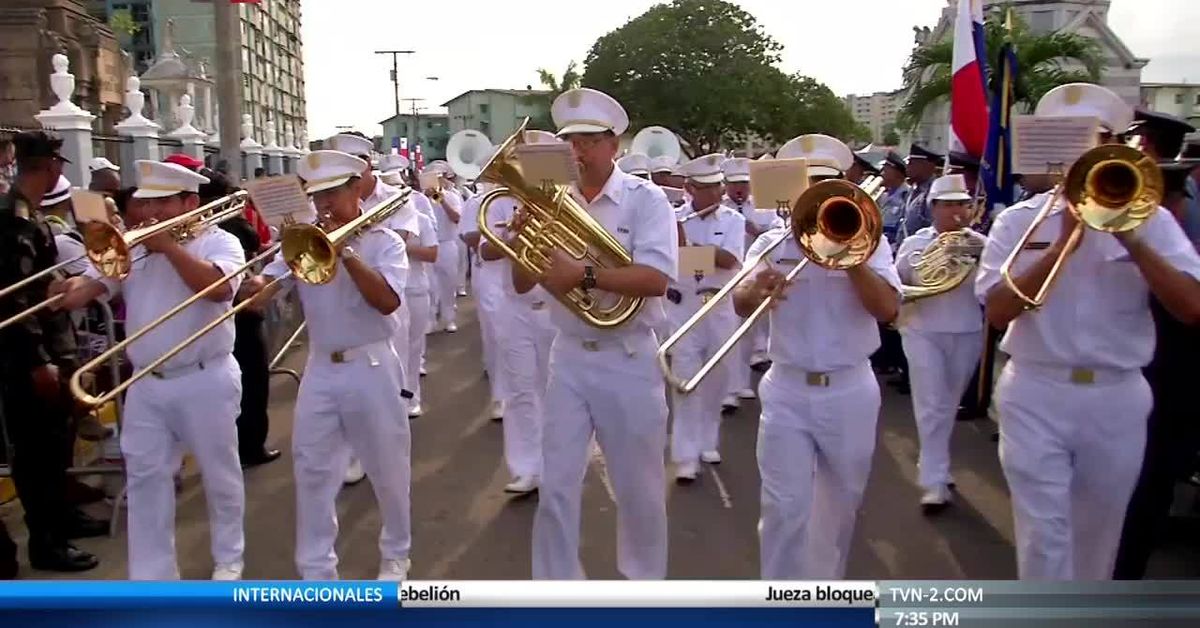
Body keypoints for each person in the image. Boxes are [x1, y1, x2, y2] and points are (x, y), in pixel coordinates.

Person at [976, 83, 1200, 580]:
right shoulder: (1018, 222)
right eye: (1071, 138)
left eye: (1097, 138)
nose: (1084, 149)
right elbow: (997, 311)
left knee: (1100, 541)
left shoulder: (1154, 220)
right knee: (1045, 537)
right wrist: (1061, 248)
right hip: (1036, 390)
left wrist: (1133, 238)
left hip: (1116, 396)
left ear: (1115, 145)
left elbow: (1190, 307)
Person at [54, 159, 247, 580]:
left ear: (190, 202)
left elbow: (219, 291)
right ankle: (153, 576)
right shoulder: (133, 245)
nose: (150, 213)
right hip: (145, 383)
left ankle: (228, 560)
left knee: (219, 474)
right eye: (146, 203)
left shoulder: (221, 242)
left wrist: (171, 249)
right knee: (145, 480)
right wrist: (70, 290)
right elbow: (98, 282)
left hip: (205, 378)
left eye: (163, 203)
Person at [518, 87, 677, 579]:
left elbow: (655, 279)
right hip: (568, 357)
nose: (577, 150)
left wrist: (584, 275)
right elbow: (522, 282)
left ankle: (643, 588)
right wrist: (520, 237)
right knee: (557, 484)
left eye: (588, 139)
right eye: (571, 140)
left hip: (628, 356)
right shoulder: (551, 199)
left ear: (614, 144)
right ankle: (557, 589)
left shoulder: (645, 200)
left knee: (639, 490)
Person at [733, 133, 901, 579]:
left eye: (827, 186)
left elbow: (887, 309)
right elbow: (739, 303)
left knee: (839, 509)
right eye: (810, 188)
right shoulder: (770, 245)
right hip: (786, 386)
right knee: (783, 508)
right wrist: (756, 288)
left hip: (850, 389)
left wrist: (853, 260)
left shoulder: (870, 242)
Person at [247, 149, 412, 581]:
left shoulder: (384, 242)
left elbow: (387, 302)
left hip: (371, 364)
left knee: (387, 468)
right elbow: (264, 289)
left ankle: (397, 552)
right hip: (320, 369)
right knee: (312, 469)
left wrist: (346, 251)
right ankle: (316, 568)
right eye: (317, 195)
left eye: (333, 194)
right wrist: (258, 284)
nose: (324, 205)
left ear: (357, 189)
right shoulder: (302, 242)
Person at [0, 131, 103, 576]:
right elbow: (13, 300)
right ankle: (47, 542)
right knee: (38, 454)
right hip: (29, 358)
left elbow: (38, 288)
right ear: (52, 166)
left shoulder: (29, 214)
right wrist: (38, 360)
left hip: (51, 348)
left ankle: (62, 518)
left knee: (58, 444)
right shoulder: (14, 220)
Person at [1114, 114, 1200, 580]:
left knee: (1150, 480)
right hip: (1147, 362)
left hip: (1174, 363)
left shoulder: (1168, 226)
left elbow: (1188, 304)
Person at [894, 173, 985, 512]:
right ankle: (932, 481)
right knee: (930, 404)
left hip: (966, 329)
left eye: (962, 205)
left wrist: (977, 256)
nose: (955, 212)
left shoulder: (980, 243)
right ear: (933, 208)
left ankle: (937, 463)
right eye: (948, 206)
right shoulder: (916, 243)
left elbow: (991, 285)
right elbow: (899, 283)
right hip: (922, 330)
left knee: (948, 404)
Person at [479, 129, 560, 493]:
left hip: (559, 305)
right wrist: (517, 237)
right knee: (521, 389)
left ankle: (560, 463)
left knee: (559, 391)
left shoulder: (565, 198)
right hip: (516, 305)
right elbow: (485, 251)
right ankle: (526, 468)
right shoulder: (498, 201)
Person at [670, 154, 745, 481]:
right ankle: (685, 455)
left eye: (718, 187)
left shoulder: (733, 220)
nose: (717, 194)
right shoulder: (673, 220)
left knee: (718, 379)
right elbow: (671, 262)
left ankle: (707, 439)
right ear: (689, 189)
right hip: (684, 307)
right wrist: (691, 252)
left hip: (718, 305)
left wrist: (690, 250)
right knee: (684, 379)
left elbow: (729, 261)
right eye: (708, 188)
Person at [459, 182, 509, 421]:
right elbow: (468, 237)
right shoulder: (478, 202)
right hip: (490, 275)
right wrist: (496, 231)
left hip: (524, 275)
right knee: (496, 337)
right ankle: (500, 397)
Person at [722, 156, 771, 375]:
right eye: (735, 184)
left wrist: (758, 231)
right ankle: (737, 378)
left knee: (759, 315)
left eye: (744, 183)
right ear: (727, 185)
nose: (740, 189)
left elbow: (777, 233)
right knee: (733, 321)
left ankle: (759, 352)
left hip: (756, 267)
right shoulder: (720, 208)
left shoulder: (764, 205)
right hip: (728, 271)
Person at [900, 144, 941, 242]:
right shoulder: (913, 190)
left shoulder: (934, 191)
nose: (907, 167)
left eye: (912, 163)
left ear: (927, 165)